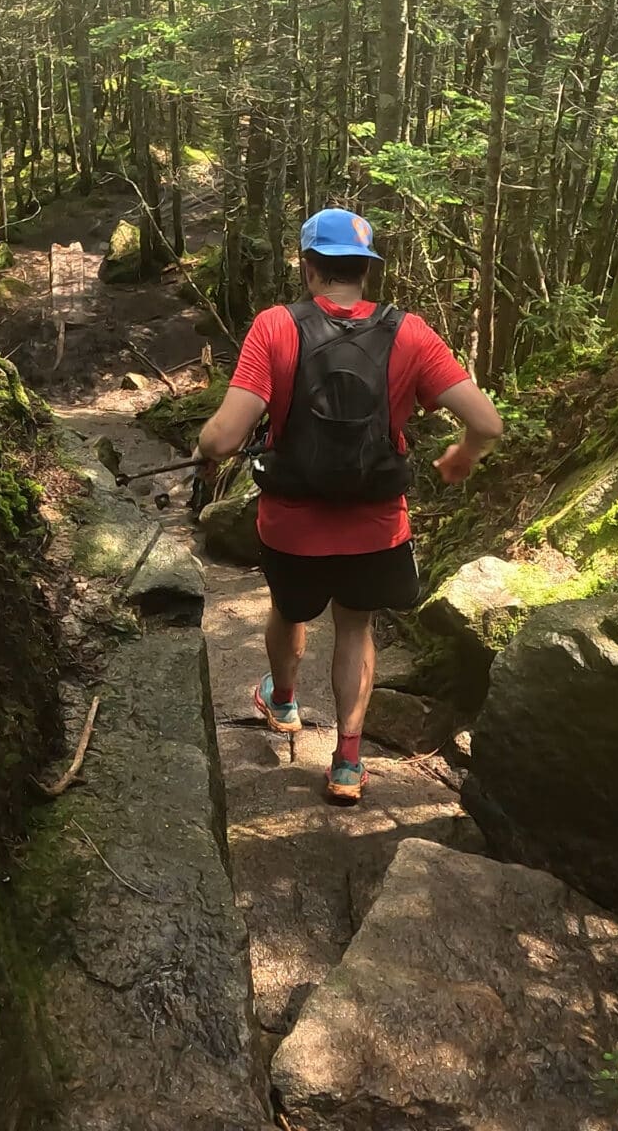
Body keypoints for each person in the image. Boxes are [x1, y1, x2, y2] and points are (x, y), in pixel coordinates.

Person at [197, 208, 503, 803]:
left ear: (310, 269)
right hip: (376, 525)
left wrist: (207, 448)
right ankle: (346, 763)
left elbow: (223, 438)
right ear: (365, 271)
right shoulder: (409, 332)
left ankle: (283, 702)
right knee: (357, 627)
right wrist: (463, 457)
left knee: (289, 611)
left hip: (291, 526)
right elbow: (486, 421)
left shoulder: (275, 328)